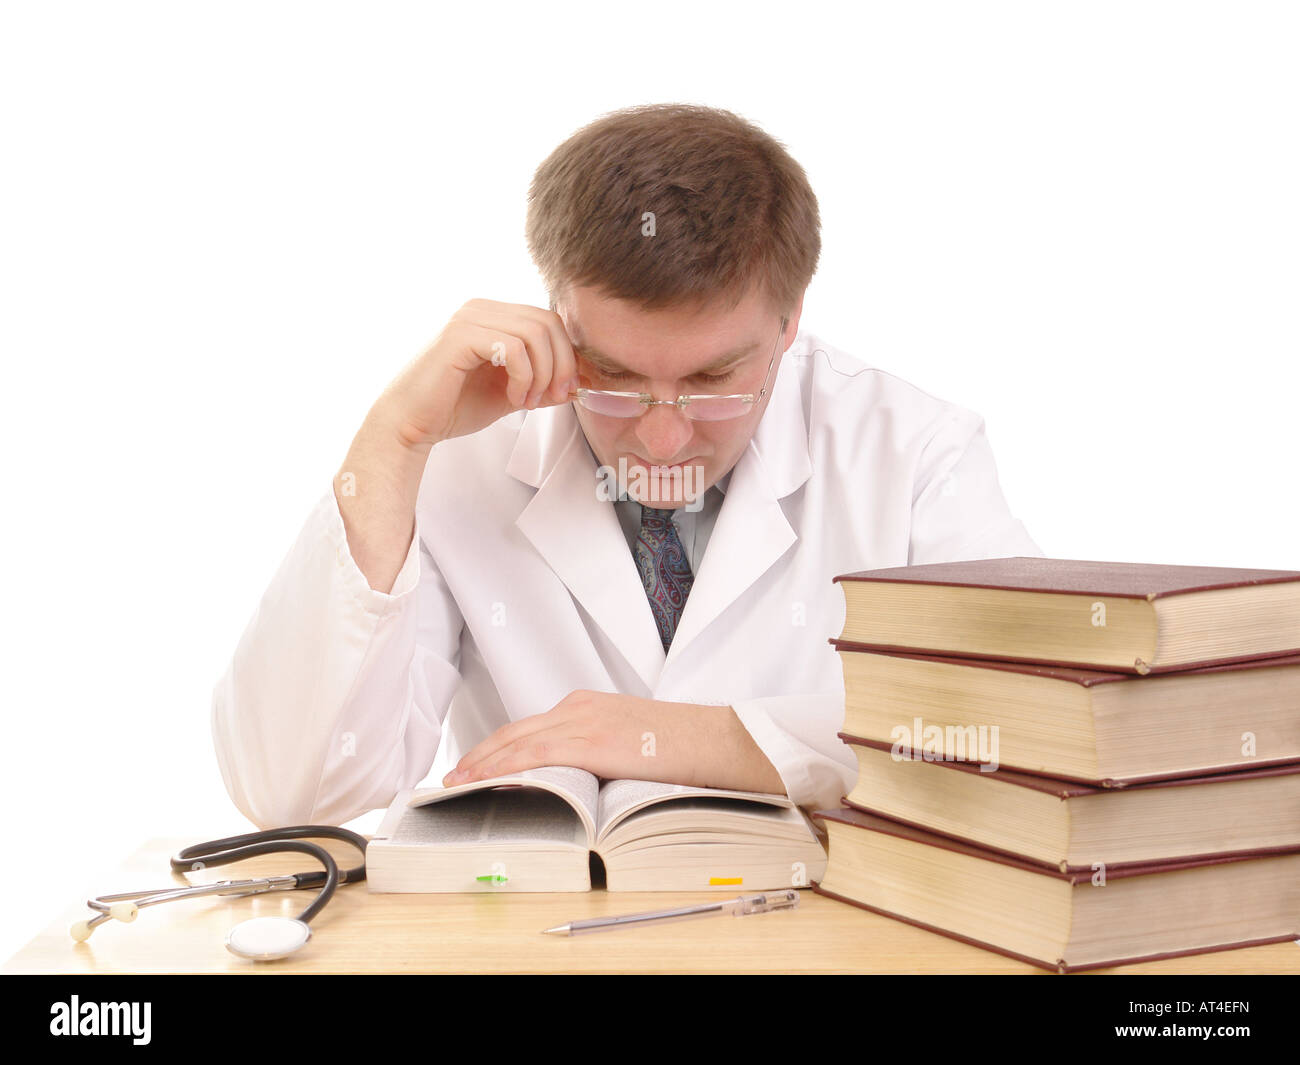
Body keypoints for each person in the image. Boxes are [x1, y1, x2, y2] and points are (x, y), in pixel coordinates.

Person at [211, 103, 1044, 830]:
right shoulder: (463, 453)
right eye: (611, 375)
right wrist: (391, 441)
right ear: (555, 314)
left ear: (789, 324)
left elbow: (1021, 733)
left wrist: (679, 737)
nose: (662, 440)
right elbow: (294, 790)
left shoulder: (913, 449)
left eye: (714, 379)